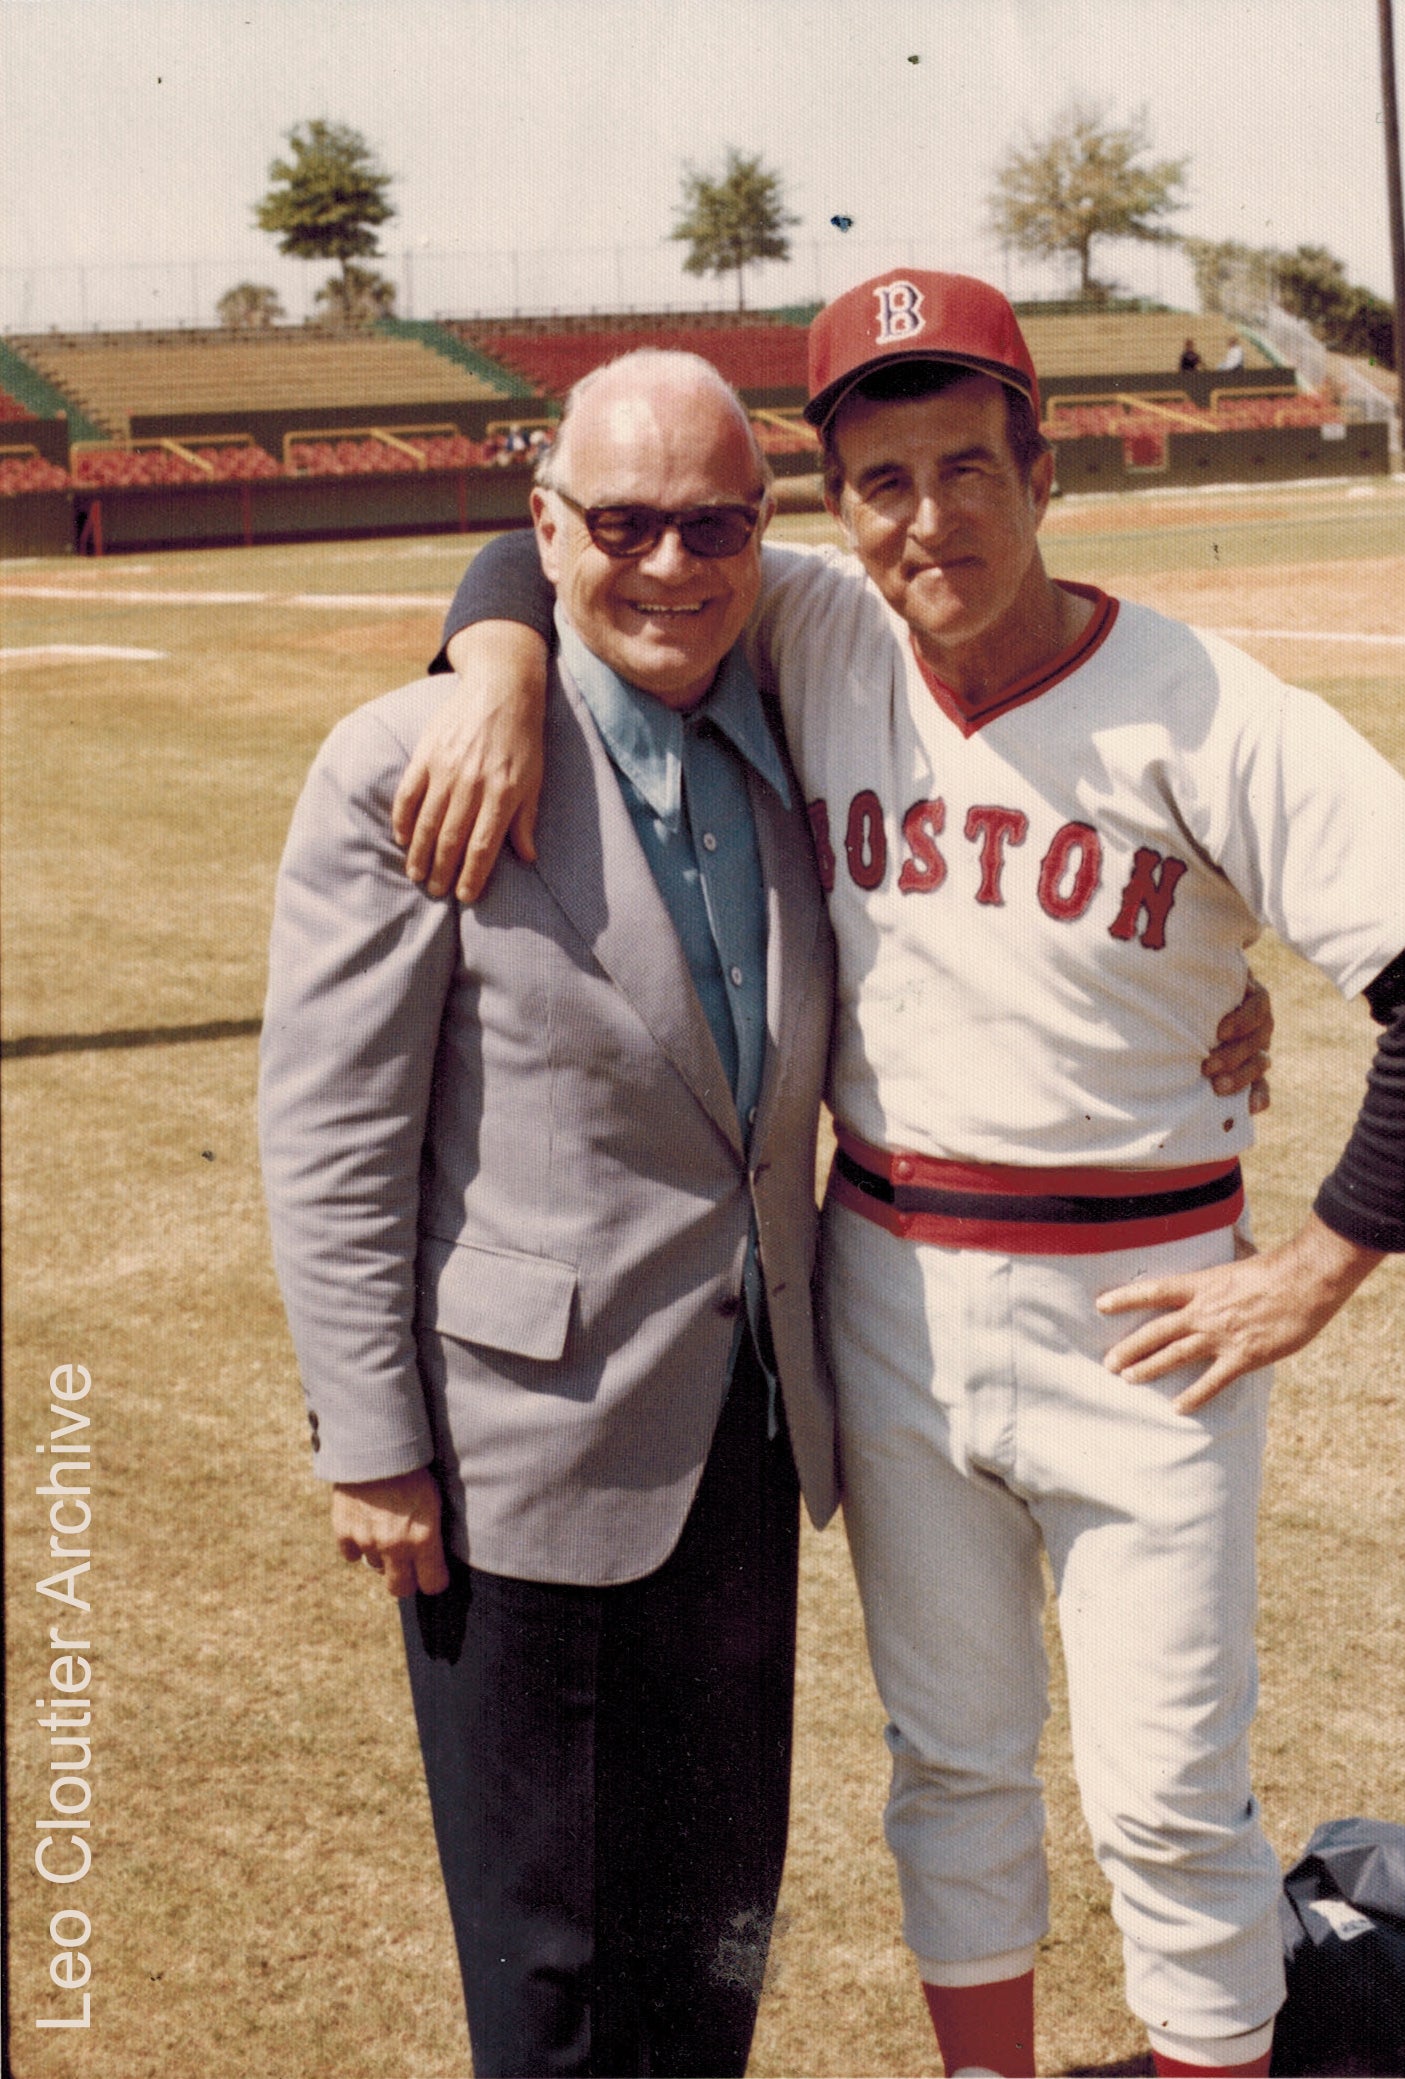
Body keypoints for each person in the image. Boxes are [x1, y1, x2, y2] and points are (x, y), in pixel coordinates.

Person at [403, 306, 1309, 2079]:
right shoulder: (804, 609)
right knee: (953, 1763)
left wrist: (1226, 1057)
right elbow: (550, 537)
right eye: (881, 480)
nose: (926, 520)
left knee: (1166, 1790)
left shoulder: (867, 629)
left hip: (1116, 1310)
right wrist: (498, 661)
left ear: (1044, 474)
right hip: (882, 1311)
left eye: (971, 469)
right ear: (840, 497)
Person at [257, 352, 844, 2078]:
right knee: (554, 1983)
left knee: (713, 1954)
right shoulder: (410, 767)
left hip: (747, 1447)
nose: (670, 565)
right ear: (545, 526)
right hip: (519, 1474)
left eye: (714, 523)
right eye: (625, 524)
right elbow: (331, 1128)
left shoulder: (795, 712)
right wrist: (371, 1441)